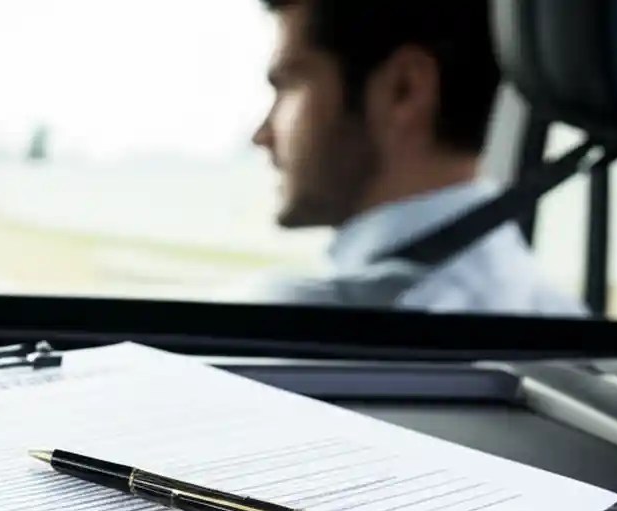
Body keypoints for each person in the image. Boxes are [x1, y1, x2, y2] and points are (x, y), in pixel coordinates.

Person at [248, 0, 586, 315]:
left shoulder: (300, 318)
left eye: (289, 85)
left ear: (404, 89)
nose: (262, 135)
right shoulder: (555, 313)